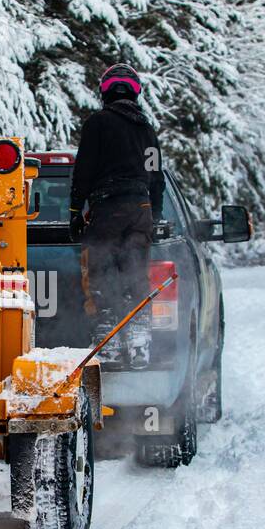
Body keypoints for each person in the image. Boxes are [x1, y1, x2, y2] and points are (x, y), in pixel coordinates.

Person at [68, 63, 164, 370]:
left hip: (107, 210)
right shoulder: (146, 129)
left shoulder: (98, 123)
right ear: (136, 93)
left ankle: (107, 346)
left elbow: (83, 171)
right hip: (140, 211)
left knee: (101, 275)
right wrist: (155, 215)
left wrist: (75, 210)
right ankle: (139, 345)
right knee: (135, 274)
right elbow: (155, 175)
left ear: (105, 91)